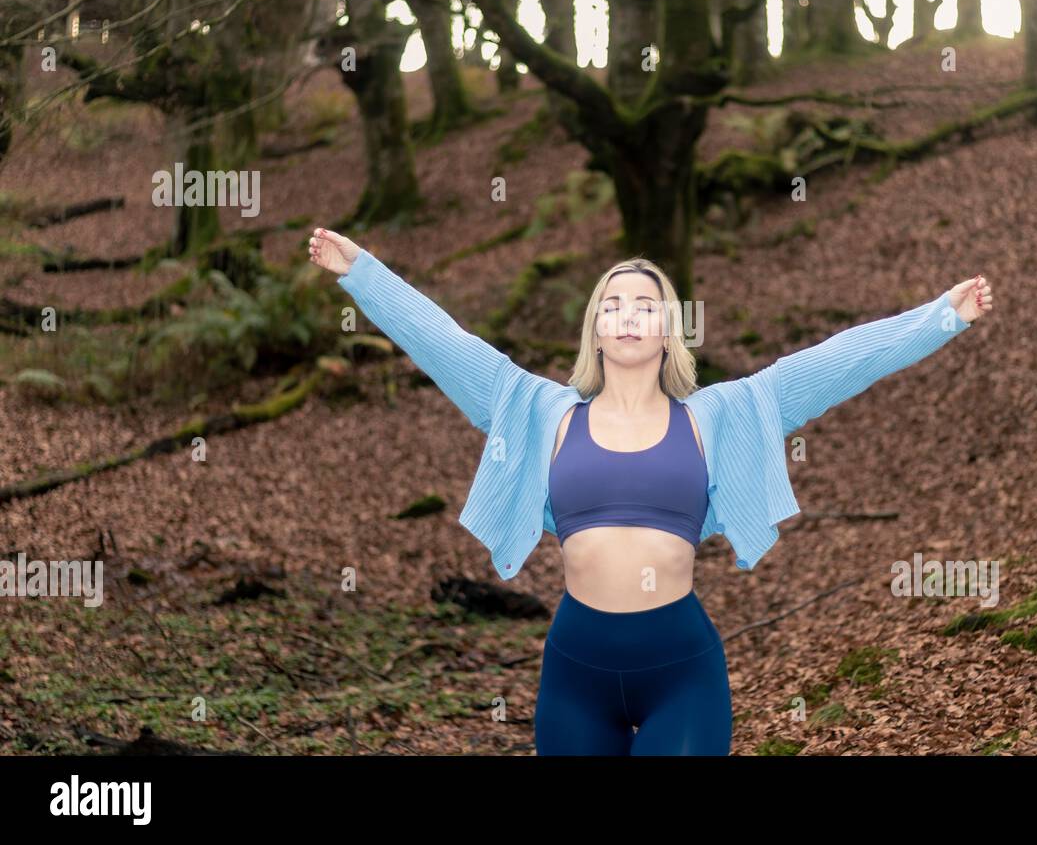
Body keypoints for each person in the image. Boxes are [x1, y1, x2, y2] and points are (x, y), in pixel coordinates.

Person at [308, 227, 992, 754]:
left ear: (668, 328)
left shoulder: (717, 416)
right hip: (575, 668)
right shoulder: (537, 409)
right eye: (612, 305)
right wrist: (361, 275)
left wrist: (939, 317)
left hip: (681, 669)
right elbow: (442, 340)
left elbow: (834, 363)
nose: (628, 315)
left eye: (646, 304)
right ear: (596, 330)